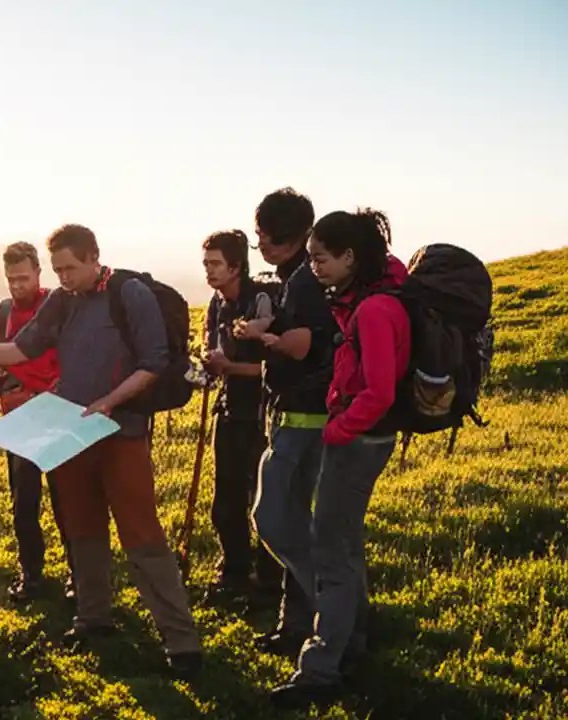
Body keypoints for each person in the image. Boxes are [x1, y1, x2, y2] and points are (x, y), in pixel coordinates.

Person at [0, 224, 202, 674]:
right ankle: (93, 617)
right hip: (71, 431)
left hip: (120, 430)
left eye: (70, 268)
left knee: (142, 534)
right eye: (57, 269)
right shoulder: (62, 301)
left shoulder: (130, 293)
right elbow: (22, 349)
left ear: (93, 257)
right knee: (82, 528)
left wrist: (110, 401)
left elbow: (154, 363)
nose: (63, 277)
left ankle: (181, 642)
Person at [271, 209, 410, 708]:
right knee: (343, 546)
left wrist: (336, 429)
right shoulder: (366, 301)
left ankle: (321, 669)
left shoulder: (373, 310)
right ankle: (352, 645)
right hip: (363, 437)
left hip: (359, 440)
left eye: (320, 258)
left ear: (350, 257)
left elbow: (378, 391)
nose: (312, 268)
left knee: (331, 550)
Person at [233, 188, 334, 656]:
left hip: (306, 415)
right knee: (293, 519)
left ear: (290, 237)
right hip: (293, 411)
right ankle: (298, 624)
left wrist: (263, 334)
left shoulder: (307, 281)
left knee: (274, 518)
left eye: (265, 238)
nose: (261, 248)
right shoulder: (298, 276)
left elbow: (305, 344)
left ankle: (333, 606)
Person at [0, 241, 71, 603]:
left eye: (23, 277)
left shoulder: (60, 308)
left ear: (38, 273)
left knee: (67, 500)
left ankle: (77, 574)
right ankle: (31, 573)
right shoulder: (1, 315)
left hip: (57, 413)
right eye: (11, 279)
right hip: (19, 418)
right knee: (24, 501)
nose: (17, 286)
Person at [199, 230, 282, 603]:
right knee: (226, 499)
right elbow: (213, 351)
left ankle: (269, 579)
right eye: (206, 264)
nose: (209, 272)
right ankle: (233, 569)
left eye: (215, 264)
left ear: (236, 266)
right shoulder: (217, 305)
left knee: (262, 499)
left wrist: (229, 366)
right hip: (229, 410)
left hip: (261, 413)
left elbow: (274, 366)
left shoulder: (262, 300)